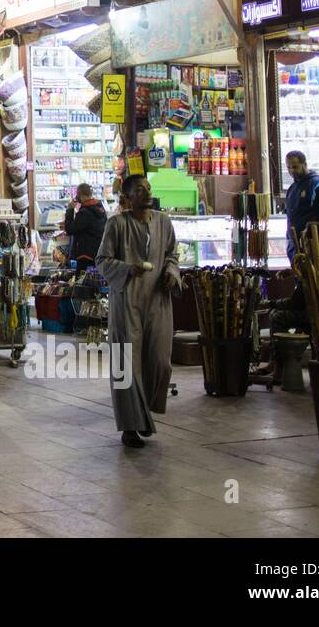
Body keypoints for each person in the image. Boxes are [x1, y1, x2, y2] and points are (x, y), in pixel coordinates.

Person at [95, 174, 180, 449]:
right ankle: (130, 426)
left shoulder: (164, 222)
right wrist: (126, 269)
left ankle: (144, 411)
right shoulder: (116, 224)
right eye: (140, 190)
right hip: (127, 300)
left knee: (160, 361)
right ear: (128, 198)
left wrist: (170, 272)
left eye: (148, 189)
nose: (146, 193)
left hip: (157, 300)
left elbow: (172, 255)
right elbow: (102, 260)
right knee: (126, 365)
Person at [285, 151, 319, 258]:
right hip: (296, 249)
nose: (291, 171)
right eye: (288, 167)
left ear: (304, 165)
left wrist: (317, 241)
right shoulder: (292, 188)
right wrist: (290, 241)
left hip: (317, 250)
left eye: (295, 167)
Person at [63, 183, 108, 267]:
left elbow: (70, 230)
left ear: (80, 194)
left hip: (85, 253)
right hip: (98, 250)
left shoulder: (84, 212)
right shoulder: (100, 207)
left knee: (82, 278)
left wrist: (70, 210)